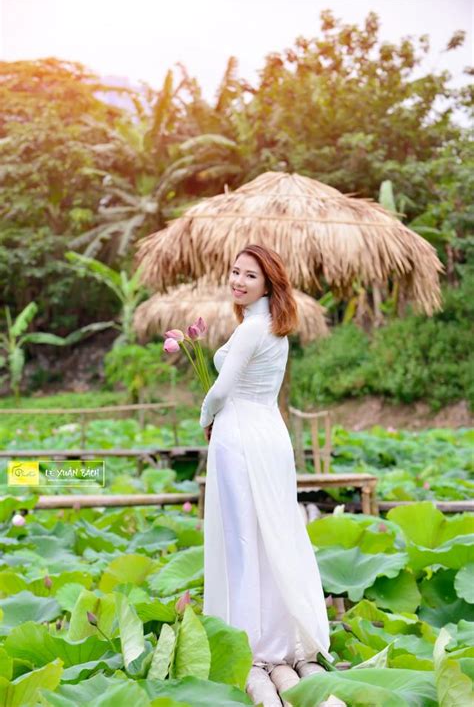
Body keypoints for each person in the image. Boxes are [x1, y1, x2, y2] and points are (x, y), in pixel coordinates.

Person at [199, 243, 331, 674]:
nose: (238, 280)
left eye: (250, 275)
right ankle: (277, 631)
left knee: (241, 540)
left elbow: (221, 390)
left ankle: (247, 640)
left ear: (268, 283)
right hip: (270, 432)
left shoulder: (253, 330)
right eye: (235, 271)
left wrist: (205, 416)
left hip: (239, 434)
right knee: (273, 530)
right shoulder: (276, 328)